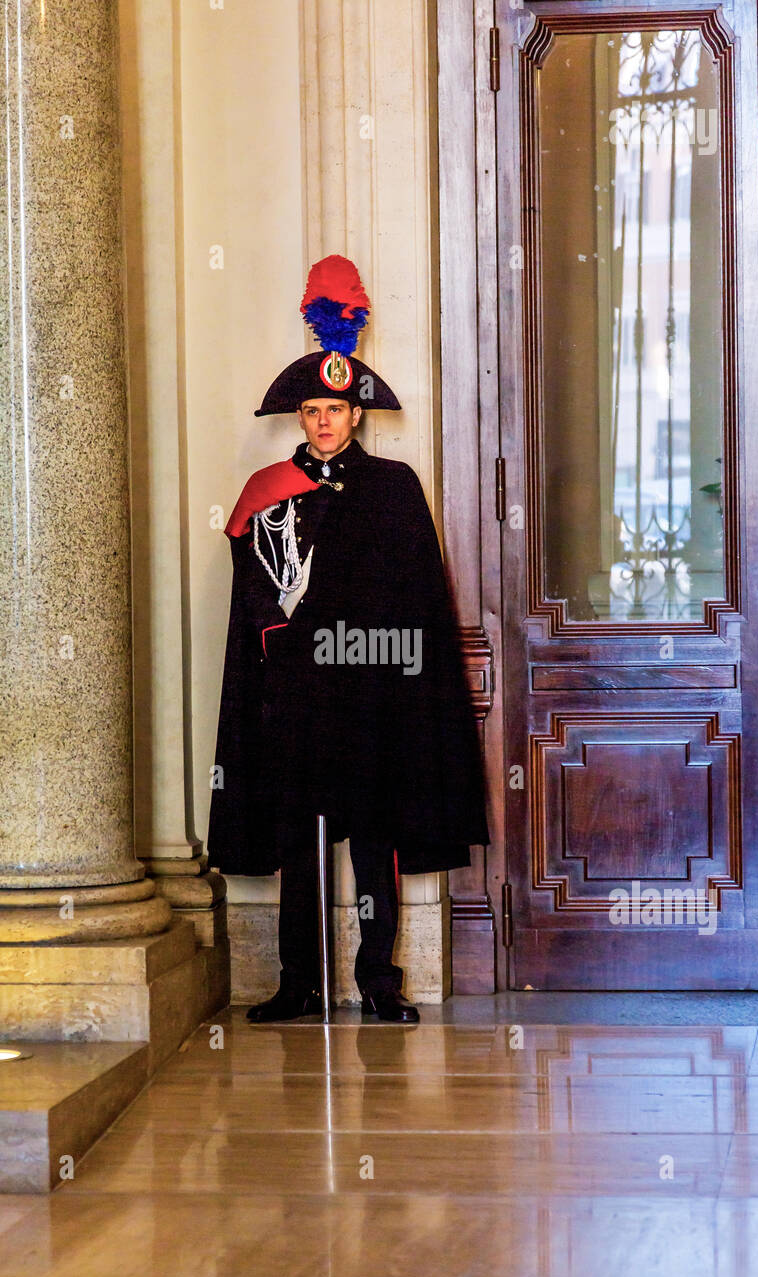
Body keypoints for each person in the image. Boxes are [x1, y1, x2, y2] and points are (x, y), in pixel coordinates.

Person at [207, 255, 489, 1023]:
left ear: (356, 413)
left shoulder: (394, 488)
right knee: (298, 845)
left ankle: (377, 981)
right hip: (296, 701)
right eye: (311, 411)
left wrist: (384, 673)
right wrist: (284, 653)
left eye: (336, 409)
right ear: (300, 417)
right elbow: (256, 601)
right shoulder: (268, 495)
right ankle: (297, 980)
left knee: (374, 849)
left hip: (370, 698)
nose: (324, 421)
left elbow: (416, 601)